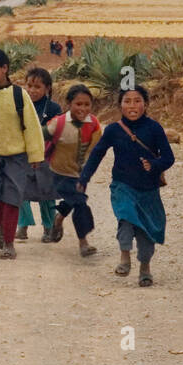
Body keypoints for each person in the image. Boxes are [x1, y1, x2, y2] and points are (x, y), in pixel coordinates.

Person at [79, 85, 174, 287]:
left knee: (147, 231)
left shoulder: (154, 128)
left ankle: (145, 269)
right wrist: (84, 178)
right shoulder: (113, 130)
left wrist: (154, 165)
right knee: (126, 217)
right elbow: (97, 155)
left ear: (146, 104)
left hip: (148, 190)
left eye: (137, 100)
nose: (132, 105)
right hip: (123, 186)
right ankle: (124, 256)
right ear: (120, 105)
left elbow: (169, 157)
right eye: (127, 101)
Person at [0, 48, 46, 259]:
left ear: (4, 68)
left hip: (16, 157)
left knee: (12, 199)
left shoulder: (19, 95)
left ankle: (9, 242)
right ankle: (1, 227)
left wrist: (35, 155)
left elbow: (31, 126)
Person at [44, 84, 103, 256]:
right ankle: (83, 243)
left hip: (80, 174)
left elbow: (96, 149)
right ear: (69, 104)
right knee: (80, 202)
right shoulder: (59, 123)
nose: (83, 108)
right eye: (78, 104)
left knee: (72, 200)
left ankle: (58, 218)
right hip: (59, 173)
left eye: (87, 104)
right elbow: (40, 134)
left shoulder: (94, 125)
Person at [15, 67, 61, 242]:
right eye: (29, 86)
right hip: (23, 155)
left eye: (37, 87)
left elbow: (58, 132)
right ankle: (23, 225)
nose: (32, 90)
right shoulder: (21, 104)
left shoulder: (54, 108)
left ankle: (49, 228)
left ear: (47, 88)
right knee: (21, 190)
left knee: (47, 193)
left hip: (46, 157)